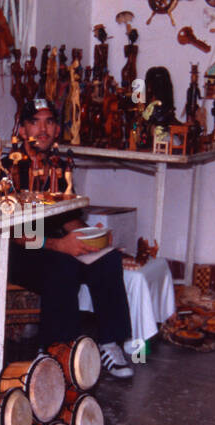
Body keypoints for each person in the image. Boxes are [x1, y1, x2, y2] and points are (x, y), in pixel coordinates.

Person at [8, 102, 135, 378]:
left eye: (50, 122)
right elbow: (9, 234)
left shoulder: (57, 166)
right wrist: (60, 245)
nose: (43, 129)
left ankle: (110, 342)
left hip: (50, 243)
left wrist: (92, 236)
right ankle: (55, 351)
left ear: (56, 129)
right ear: (22, 129)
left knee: (107, 258)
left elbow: (68, 218)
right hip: (15, 251)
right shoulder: (8, 168)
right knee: (62, 264)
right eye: (35, 122)